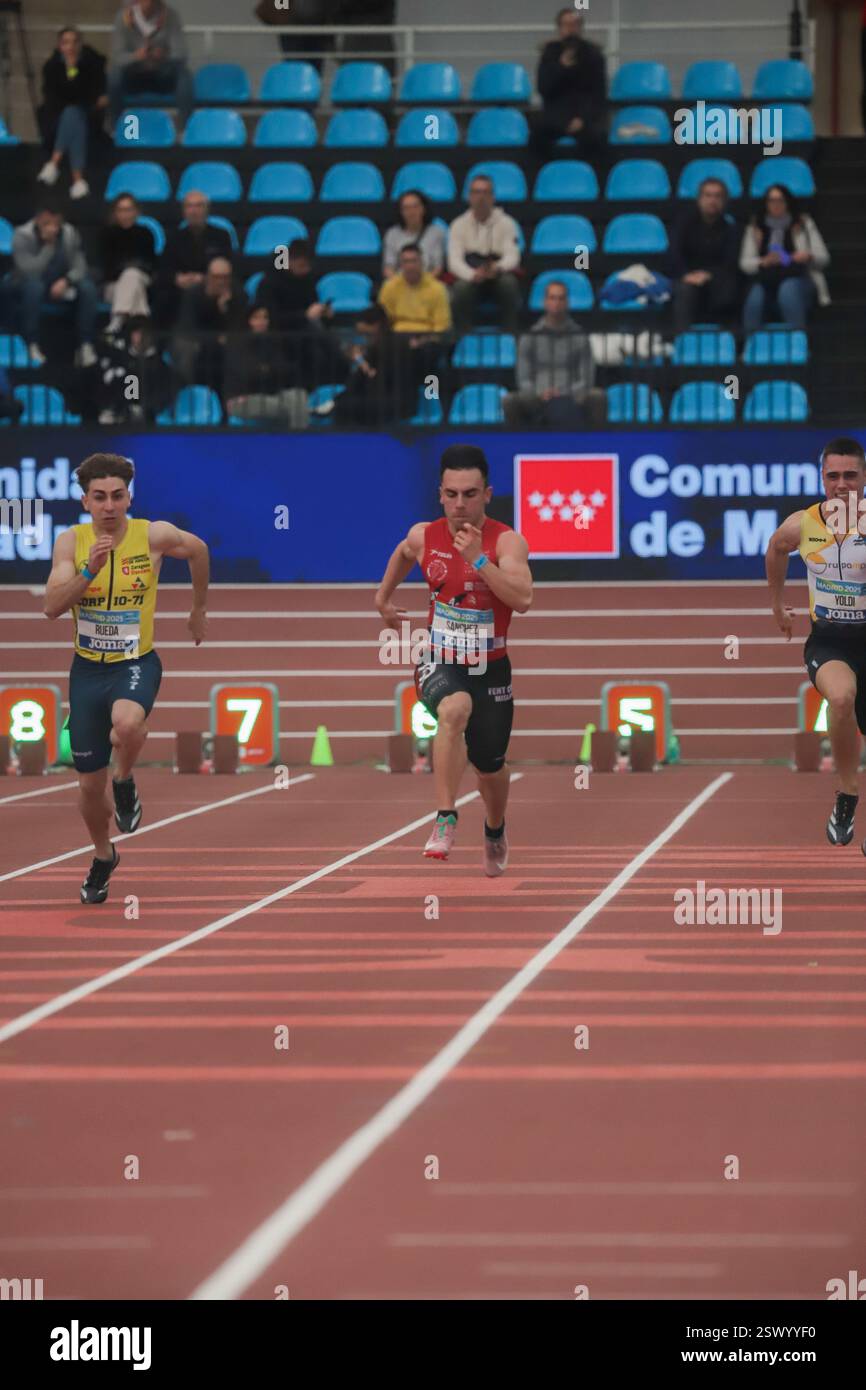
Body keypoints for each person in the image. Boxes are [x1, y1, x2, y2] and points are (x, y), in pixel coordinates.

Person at [42, 452, 209, 904]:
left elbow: (198, 551)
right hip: (87, 671)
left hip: (136, 662)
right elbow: (52, 607)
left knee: (129, 724)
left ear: (129, 496)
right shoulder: (69, 544)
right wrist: (89, 570)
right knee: (86, 787)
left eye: (118, 496)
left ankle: (126, 777)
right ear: (85, 501)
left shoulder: (152, 535)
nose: (110, 506)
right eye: (100, 497)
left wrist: (197, 609)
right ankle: (102, 855)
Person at [375, 443, 533, 874]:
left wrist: (478, 559)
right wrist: (383, 599)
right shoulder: (424, 535)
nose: (459, 504)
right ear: (440, 494)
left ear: (487, 494)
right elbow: (404, 553)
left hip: (491, 667)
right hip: (439, 657)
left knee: (490, 768)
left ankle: (495, 828)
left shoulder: (507, 541)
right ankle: (445, 817)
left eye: (470, 493)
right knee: (453, 709)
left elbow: (523, 599)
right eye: (451, 494)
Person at [766, 437, 866, 848]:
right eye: (833, 476)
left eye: (851, 475)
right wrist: (777, 605)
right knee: (840, 699)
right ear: (822, 478)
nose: (842, 484)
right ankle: (846, 795)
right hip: (830, 643)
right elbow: (776, 548)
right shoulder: (802, 524)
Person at [504, 278, 605, 429]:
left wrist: (564, 392)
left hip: (573, 396)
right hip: (536, 397)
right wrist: (540, 393)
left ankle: (597, 446)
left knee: (597, 396)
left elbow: (587, 377)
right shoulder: (530, 337)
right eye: (552, 298)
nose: (556, 302)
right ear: (545, 302)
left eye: (561, 298)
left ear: (567, 302)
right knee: (510, 400)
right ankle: (514, 447)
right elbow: (523, 377)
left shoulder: (580, 336)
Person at [11, 205, 98, 367]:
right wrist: (48, 248)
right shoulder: (23, 234)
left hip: (60, 282)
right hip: (29, 283)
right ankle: (31, 344)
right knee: (34, 287)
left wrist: (67, 281)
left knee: (87, 288)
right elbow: (29, 271)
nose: (52, 228)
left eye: (56, 224)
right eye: (47, 223)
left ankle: (85, 345)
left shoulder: (69, 233)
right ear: (37, 221)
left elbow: (80, 266)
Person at [740, 183, 830, 336]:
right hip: (767, 279)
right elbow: (744, 263)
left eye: (780, 200)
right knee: (755, 294)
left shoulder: (804, 223)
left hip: (799, 278)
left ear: (787, 202)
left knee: (787, 289)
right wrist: (763, 262)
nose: (776, 205)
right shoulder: (755, 226)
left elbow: (824, 258)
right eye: (771, 200)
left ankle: (797, 344)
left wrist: (807, 256)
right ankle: (751, 347)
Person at [37, 26, 107, 201]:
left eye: (75, 42)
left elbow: (92, 96)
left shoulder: (93, 64)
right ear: (60, 46)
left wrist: (73, 71)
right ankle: (78, 181)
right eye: (66, 43)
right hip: (57, 120)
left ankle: (54, 163)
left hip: (89, 118)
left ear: (81, 45)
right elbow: (54, 99)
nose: (71, 47)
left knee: (73, 113)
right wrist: (71, 73)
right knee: (71, 114)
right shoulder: (51, 67)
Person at [447, 175, 522, 337]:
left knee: (509, 284)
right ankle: (463, 337)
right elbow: (454, 261)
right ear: (469, 197)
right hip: (471, 272)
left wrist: (498, 268)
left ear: (493, 197)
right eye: (476, 192)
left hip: (497, 271)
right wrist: (472, 275)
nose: (481, 197)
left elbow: (513, 256)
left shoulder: (507, 223)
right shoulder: (458, 224)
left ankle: (510, 336)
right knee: (459, 289)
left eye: (485, 192)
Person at [530, 7, 607, 162]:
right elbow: (543, 88)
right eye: (566, 25)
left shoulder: (593, 54)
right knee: (536, 136)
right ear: (559, 29)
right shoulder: (549, 53)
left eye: (574, 24)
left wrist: (582, 119)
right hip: (556, 118)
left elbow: (598, 94)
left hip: (584, 118)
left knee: (599, 139)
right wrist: (560, 67)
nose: (571, 29)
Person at [666, 178, 741, 335]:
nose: (712, 200)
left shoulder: (731, 228)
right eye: (708, 195)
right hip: (688, 278)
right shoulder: (684, 224)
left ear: (724, 201)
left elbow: (730, 261)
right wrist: (687, 275)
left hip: (718, 280)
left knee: (731, 287)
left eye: (717, 196)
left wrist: (708, 275)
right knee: (684, 290)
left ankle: (728, 346)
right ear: (699, 199)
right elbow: (674, 254)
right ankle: (682, 343)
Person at [155, 191, 234, 328]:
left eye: (198, 206)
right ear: (184, 211)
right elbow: (165, 269)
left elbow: (228, 265)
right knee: (163, 294)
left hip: (212, 285)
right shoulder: (174, 237)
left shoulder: (221, 235)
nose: (194, 211)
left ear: (207, 209)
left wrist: (205, 278)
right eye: (189, 206)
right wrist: (177, 278)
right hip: (180, 289)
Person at [108, 0, 193, 124]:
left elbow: (181, 53)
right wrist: (135, 56)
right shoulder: (123, 17)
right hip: (134, 75)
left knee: (184, 74)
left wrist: (164, 55)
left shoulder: (171, 15)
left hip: (161, 75)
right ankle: (116, 127)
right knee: (114, 75)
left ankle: (186, 127)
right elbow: (116, 56)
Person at [224, 305, 310, 427]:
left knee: (299, 394)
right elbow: (248, 373)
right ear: (247, 320)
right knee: (294, 407)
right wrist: (270, 369)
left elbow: (285, 368)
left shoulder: (272, 341)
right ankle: (297, 440)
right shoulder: (236, 344)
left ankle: (298, 438)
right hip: (243, 398)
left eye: (265, 317)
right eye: (256, 318)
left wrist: (266, 369)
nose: (262, 321)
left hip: (272, 393)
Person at [330, 304, 416, 426]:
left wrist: (360, 360)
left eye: (367, 335)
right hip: (377, 397)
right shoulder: (376, 346)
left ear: (377, 326)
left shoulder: (395, 345)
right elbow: (360, 378)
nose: (365, 339)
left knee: (345, 406)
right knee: (342, 400)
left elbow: (379, 378)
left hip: (396, 400)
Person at [172, 256, 247, 388]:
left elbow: (239, 327)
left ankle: (233, 397)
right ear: (208, 277)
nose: (221, 282)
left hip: (227, 342)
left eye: (225, 277)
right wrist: (215, 339)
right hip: (198, 341)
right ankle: (188, 392)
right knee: (185, 347)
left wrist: (225, 310)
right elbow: (188, 328)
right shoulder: (193, 294)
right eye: (217, 277)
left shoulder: (238, 294)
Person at [97, 315, 172, 424]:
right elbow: (106, 390)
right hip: (117, 420)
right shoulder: (118, 360)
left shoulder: (161, 366)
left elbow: (163, 397)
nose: (141, 337)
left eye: (145, 333)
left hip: (149, 422)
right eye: (136, 333)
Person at [100, 193, 156, 334]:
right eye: (121, 210)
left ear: (136, 212)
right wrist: (129, 267)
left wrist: (129, 267)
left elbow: (151, 264)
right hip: (114, 287)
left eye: (129, 209)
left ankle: (117, 320)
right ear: (115, 212)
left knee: (133, 275)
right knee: (133, 282)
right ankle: (142, 331)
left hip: (142, 280)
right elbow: (106, 269)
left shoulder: (146, 233)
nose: (125, 214)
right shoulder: (106, 235)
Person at [382, 191, 447, 281]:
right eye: (406, 208)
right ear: (401, 211)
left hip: (427, 284)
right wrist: (401, 286)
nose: (411, 212)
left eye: (415, 207)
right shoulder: (392, 234)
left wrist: (420, 286)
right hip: (400, 285)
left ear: (423, 209)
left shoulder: (436, 233)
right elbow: (388, 268)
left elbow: (438, 268)